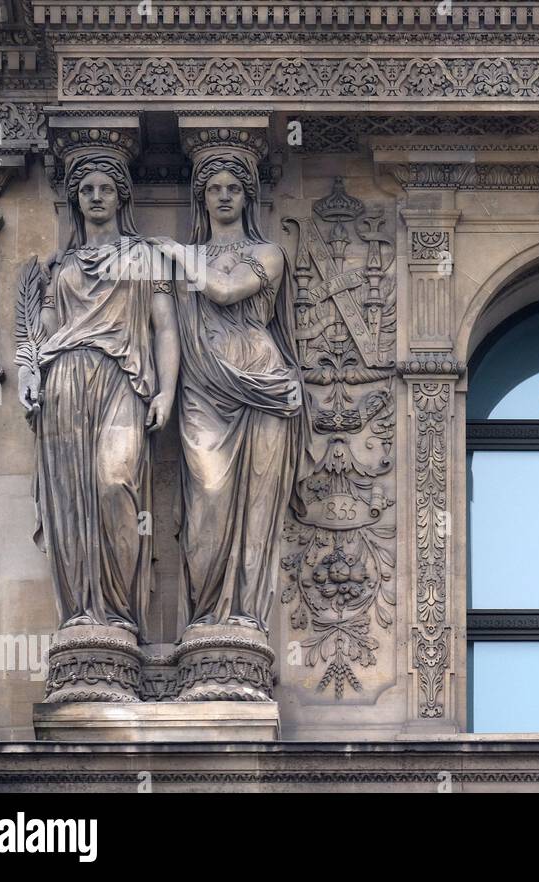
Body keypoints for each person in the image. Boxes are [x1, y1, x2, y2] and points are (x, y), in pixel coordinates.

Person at [21, 154, 179, 635]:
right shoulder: (63, 266)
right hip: (65, 381)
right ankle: (81, 614)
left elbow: (165, 326)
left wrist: (167, 390)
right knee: (70, 499)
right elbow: (44, 330)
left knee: (115, 485)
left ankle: (119, 613)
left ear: (120, 197)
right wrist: (30, 371)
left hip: (122, 381)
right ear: (76, 199)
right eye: (85, 189)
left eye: (104, 188)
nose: (95, 196)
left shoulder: (144, 257)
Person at [152, 153, 304, 634]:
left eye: (232, 188)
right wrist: (164, 391)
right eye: (213, 188)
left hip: (262, 384)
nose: (222, 195)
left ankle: (244, 620)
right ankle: (206, 618)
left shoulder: (268, 254)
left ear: (247, 197)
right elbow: (168, 332)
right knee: (207, 502)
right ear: (201, 196)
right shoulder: (177, 266)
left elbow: (223, 290)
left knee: (258, 511)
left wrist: (177, 253)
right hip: (201, 387)